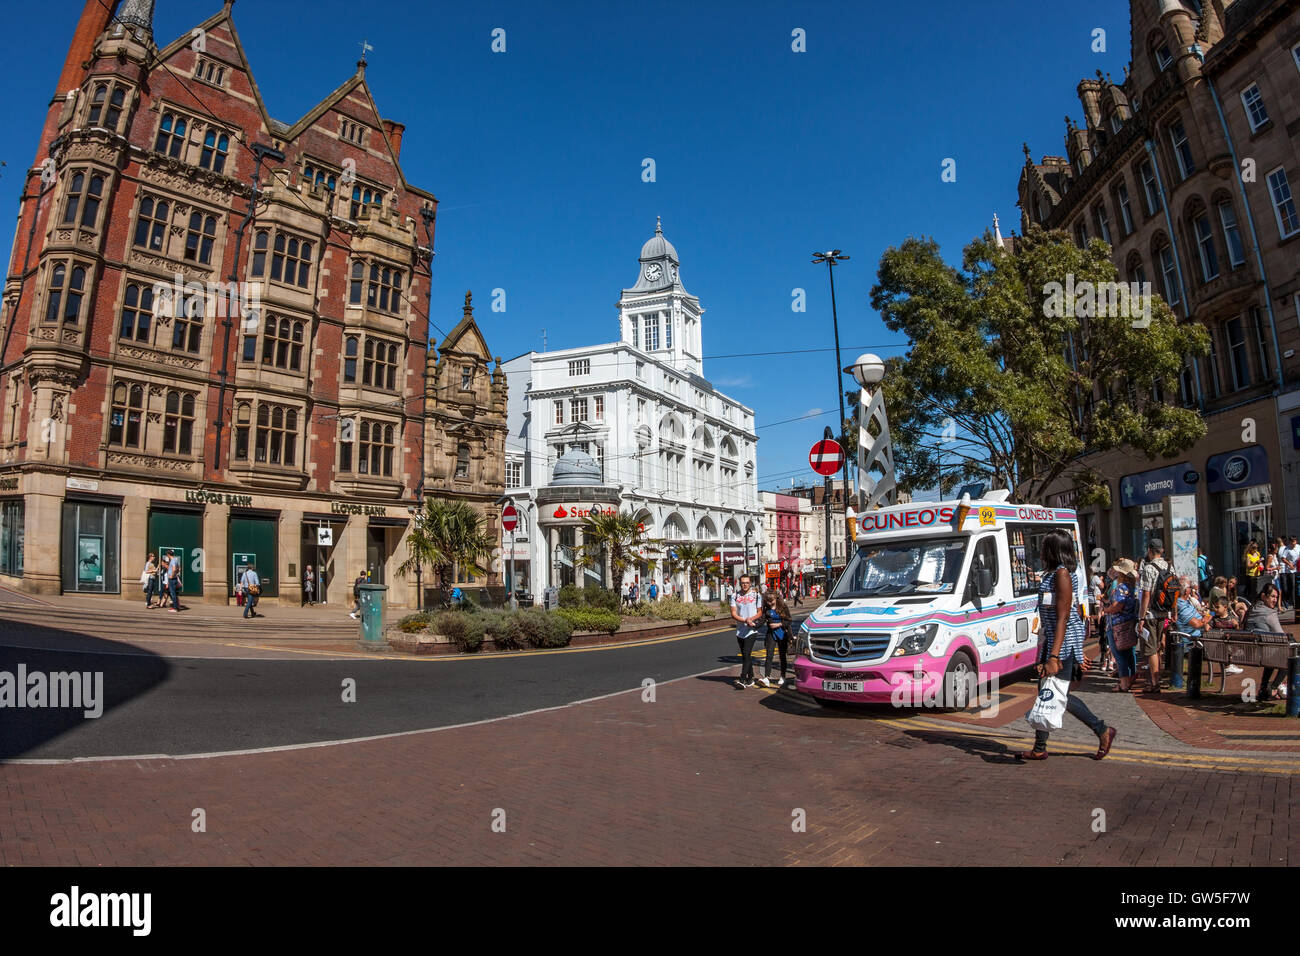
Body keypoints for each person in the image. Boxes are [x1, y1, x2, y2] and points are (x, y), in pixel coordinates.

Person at [1019, 529, 1117, 761]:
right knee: (1049, 691)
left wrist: (1054, 656)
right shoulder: (1053, 574)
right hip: (1053, 640)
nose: (1041, 551)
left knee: (1054, 693)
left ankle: (1102, 729)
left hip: (1061, 645)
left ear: (1053, 550)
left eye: (1044, 546)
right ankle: (1040, 747)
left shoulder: (1062, 575)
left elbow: (1063, 616)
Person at [1136, 538, 1172, 694]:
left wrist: (1141, 617)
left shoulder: (1148, 569)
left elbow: (1146, 595)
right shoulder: (1170, 567)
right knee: (1158, 646)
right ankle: (1157, 677)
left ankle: (1155, 682)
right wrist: (1174, 612)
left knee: (1150, 649)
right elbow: (1174, 591)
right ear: (1162, 550)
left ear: (1150, 551)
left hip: (1150, 614)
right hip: (1164, 611)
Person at [1244, 582, 1289, 700]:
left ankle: (1264, 688)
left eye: (1276, 597)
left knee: (1272, 653)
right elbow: (1282, 636)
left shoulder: (1252, 609)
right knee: (1291, 655)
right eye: (1272, 596)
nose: (1275, 600)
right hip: (1262, 654)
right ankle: (1274, 688)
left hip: (1249, 653)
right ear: (1264, 596)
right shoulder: (1269, 614)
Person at [1106, 559, 1140, 692]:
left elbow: (1117, 606)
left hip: (1117, 624)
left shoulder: (1121, 588)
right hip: (1129, 622)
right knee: (1129, 652)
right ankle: (1131, 677)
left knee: (1119, 654)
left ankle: (1124, 683)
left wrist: (1107, 609)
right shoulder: (1133, 587)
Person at [730, 574, 763, 689]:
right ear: (740, 583)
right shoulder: (735, 596)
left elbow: (760, 612)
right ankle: (751, 677)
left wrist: (751, 620)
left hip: (751, 630)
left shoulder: (756, 595)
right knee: (745, 656)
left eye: (747, 583)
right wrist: (744, 620)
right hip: (740, 630)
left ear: (750, 583)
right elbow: (733, 613)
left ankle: (743, 678)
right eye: (743, 583)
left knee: (747, 653)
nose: (745, 585)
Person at [757, 588, 793, 688]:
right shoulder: (767, 609)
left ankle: (783, 676)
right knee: (769, 656)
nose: (769, 603)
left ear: (776, 599)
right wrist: (753, 625)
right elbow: (761, 621)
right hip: (771, 634)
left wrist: (778, 624)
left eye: (771, 601)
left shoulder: (783, 607)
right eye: (767, 601)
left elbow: (789, 621)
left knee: (782, 656)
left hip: (782, 633)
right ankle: (767, 678)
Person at [1281, 536, 1300, 609]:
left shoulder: (1298, 547)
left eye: (1294, 541)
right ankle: (1294, 602)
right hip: (1291, 570)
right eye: (1292, 542)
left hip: (1298, 568)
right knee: (1293, 585)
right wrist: (1289, 564)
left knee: (1298, 586)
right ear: (1290, 542)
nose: (1293, 543)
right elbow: (1283, 558)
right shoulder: (1287, 549)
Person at [164, 549, 182, 613]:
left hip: (172, 579)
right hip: (173, 578)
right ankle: (176, 606)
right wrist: (175, 574)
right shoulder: (175, 560)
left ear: (168, 554)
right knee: (173, 593)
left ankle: (175, 608)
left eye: (167, 554)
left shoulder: (173, 560)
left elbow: (174, 569)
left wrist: (172, 575)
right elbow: (179, 568)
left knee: (173, 593)